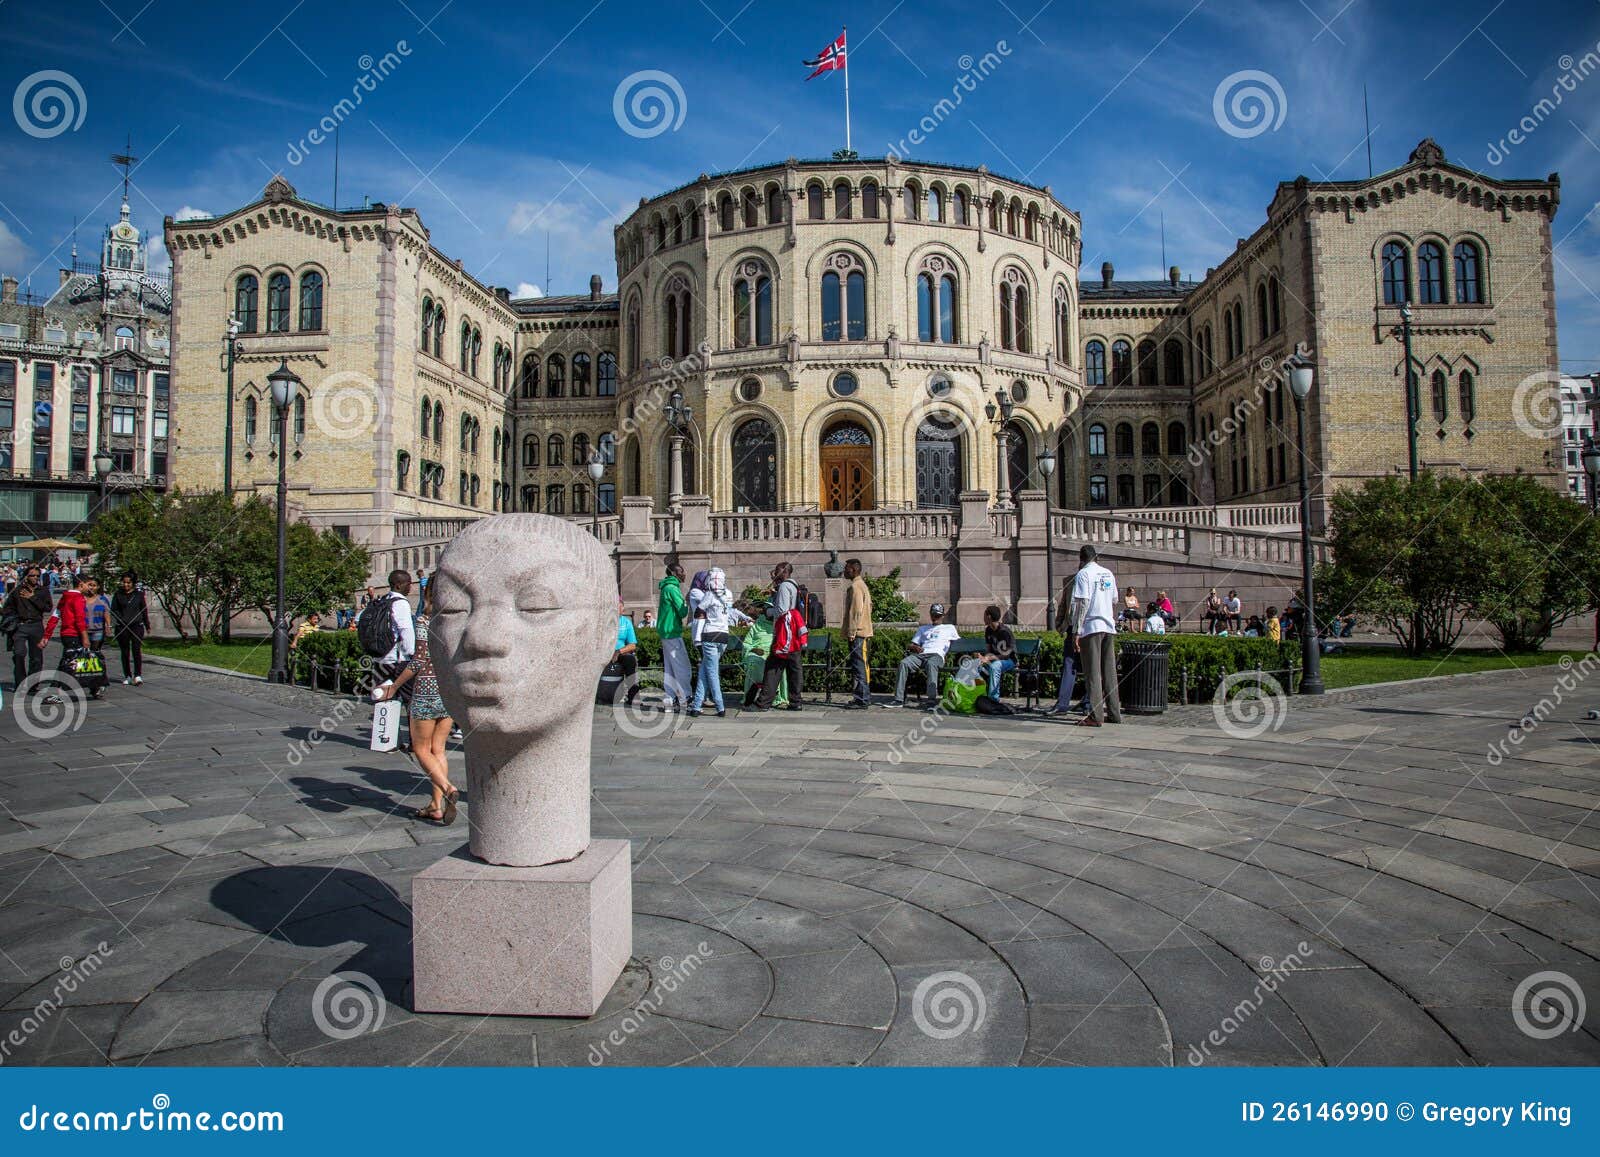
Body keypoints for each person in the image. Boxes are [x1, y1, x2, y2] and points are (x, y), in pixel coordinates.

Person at [375, 584, 459, 825]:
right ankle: (435, 806)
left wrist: (394, 686)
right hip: (447, 691)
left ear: (427, 594)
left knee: (421, 749)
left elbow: (419, 660)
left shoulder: (424, 621)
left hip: (425, 691)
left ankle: (448, 788)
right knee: (439, 749)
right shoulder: (453, 622)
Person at [688, 568, 751, 718]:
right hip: (723, 636)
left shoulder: (709, 595)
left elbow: (698, 611)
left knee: (712, 673)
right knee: (705, 670)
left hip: (709, 635)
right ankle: (696, 706)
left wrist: (705, 614)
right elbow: (730, 611)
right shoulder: (728, 594)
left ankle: (720, 706)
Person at [1071, 545, 1122, 726]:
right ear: (1096, 557)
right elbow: (1115, 599)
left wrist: (1077, 630)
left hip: (1091, 627)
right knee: (1109, 672)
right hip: (1108, 626)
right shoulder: (1108, 573)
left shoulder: (1083, 574)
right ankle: (1115, 713)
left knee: (1093, 673)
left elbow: (1082, 603)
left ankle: (1095, 715)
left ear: (1081, 559)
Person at [754, 561, 804, 711]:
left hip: (784, 633)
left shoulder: (784, 587)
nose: (774, 573)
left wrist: (767, 611)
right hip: (794, 633)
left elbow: (781, 610)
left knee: (773, 667)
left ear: (784, 572)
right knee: (794, 668)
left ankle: (763, 702)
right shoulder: (794, 586)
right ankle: (796, 701)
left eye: (777, 571)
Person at [891, 603, 959, 708]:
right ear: (930, 614)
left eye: (938, 615)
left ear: (943, 615)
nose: (935, 617)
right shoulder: (923, 628)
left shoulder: (949, 628)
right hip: (921, 655)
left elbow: (959, 643)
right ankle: (898, 699)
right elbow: (911, 645)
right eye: (933, 615)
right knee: (904, 663)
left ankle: (931, 700)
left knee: (931, 664)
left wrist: (947, 652)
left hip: (936, 655)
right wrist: (915, 647)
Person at [3, 566, 53, 691]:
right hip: (21, 626)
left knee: (36, 658)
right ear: (26, 576)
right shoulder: (17, 591)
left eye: (37, 576)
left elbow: (48, 608)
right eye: (32, 575)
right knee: (19, 653)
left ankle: (32, 684)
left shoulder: (43, 591)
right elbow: (7, 608)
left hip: (36, 625)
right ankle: (20, 682)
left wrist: (32, 597)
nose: (35, 578)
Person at [740, 601, 787, 709]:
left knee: (779, 664)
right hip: (757, 652)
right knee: (755, 662)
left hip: (774, 653)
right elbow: (746, 644)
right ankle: (751, 696)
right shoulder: (756, 626)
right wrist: (753, 649)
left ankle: (776, 697)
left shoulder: (779, 626)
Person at [656, 563, 691, 711]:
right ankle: (685, 698)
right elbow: (682, 612)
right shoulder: (673, 588)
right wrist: (687, 603)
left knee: (669, 668)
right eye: (681, 571)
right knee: (682, 666)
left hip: (666, 631)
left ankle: (669, 700)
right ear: (674, 573)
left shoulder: (666, 587)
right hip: (672, 632)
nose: (684, 574)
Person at [842, 557, 874, 709]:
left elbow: (856, 612)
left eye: (846, 568)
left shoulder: (856, 587)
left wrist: (852, 632)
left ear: (854, 570)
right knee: (860, 665)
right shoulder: (861, 585)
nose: (844, 570)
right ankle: (861, 697)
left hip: (858, 634)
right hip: (862, 632)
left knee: (859, 666)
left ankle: (862, 699)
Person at [110, 572, 149, 686]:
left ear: (133, 583)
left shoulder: (139, 595)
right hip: (122, 626)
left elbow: (143, 610)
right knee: (125, 651)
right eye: (124, 582)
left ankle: (138, 675)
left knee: (136, 650)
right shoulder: (118, 594)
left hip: (136, 626)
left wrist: (147, 624)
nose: (126, 585)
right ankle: (127, 675)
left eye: (128, 583)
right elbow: (114, 610)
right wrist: (118, 620)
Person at [1049, 579, 1079, 715]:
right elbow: (1064, 604)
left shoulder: (1096, 577)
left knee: (1091, 668)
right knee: (1068, 664)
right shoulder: (1071, 580)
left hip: (1090, 629)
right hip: (1071, 628)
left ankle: (1089, 703)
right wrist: (1059, 623)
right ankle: (1062, 704)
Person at [978, 604, 1017, 700]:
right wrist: (983, 658)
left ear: (989, 617)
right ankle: (979, 696)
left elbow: (1006, 655)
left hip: (1009, 660)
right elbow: (988, 650)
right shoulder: (988, 630)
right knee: (976, 666)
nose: (983, 617)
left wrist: (989, 658)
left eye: (984, 615)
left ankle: (993, 699)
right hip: (994, 660)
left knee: (995, 666)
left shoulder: (1004, 632)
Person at [612, 597, 640, 707]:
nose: (619, 610)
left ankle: (634, 697)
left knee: (630, 660)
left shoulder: (626, 622)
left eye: (620, 607)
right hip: (604, 653)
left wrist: (618, 652)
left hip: (620, 653)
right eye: (616, 607)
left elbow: (632, 645)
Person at [86, 582, 111, 652]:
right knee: (84, 652)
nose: (91, 588)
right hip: (84, 631)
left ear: (98, 587)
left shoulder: (102, 600)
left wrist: (108, 626)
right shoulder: (82, 599)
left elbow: (107, 613)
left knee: (94, 652)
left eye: (94, 586)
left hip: (98, 630)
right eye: (90, 585)